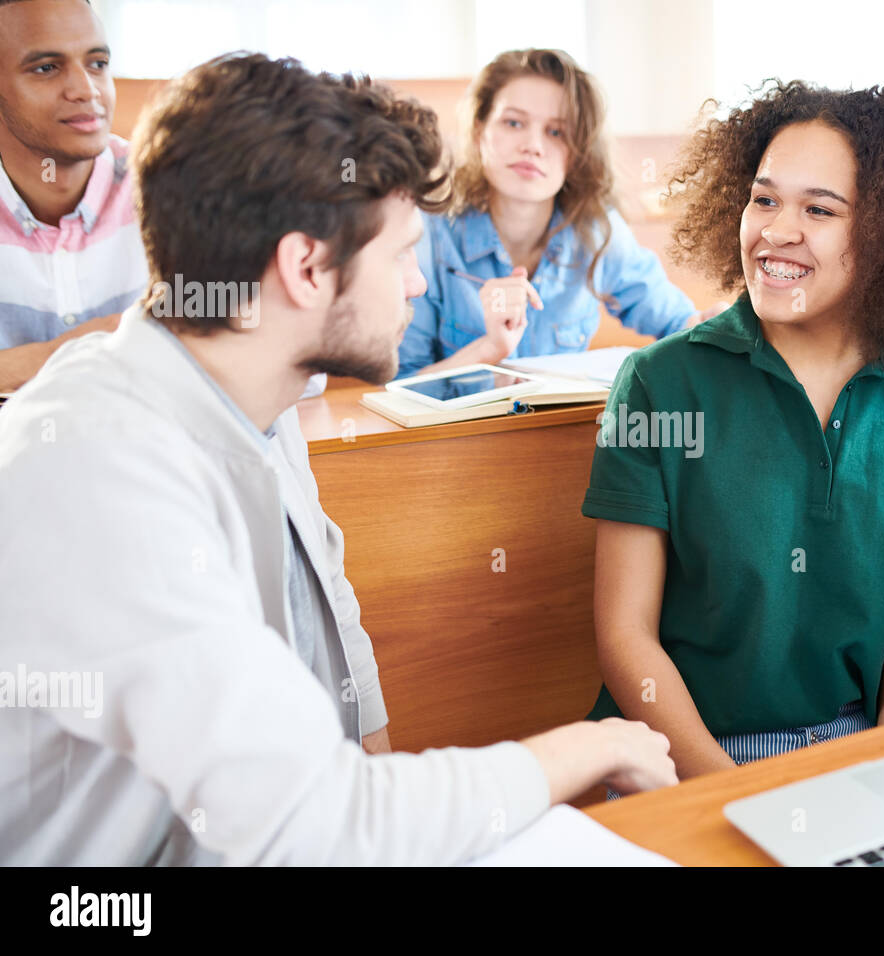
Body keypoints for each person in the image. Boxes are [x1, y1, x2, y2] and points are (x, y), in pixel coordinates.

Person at [0, 52, 675, 865]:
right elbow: (315, 824)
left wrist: (376, 753)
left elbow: (327, 597)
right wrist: (590, 748)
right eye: (400, 256)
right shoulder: (97, 468)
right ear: (306, 267)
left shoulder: (252, 389)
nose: (421, 284)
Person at [581, 81, 884, 784]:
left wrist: (877, 789)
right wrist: (728, 795)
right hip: (678, 759)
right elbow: (625, 639)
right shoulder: (660, 385)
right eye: (764, 198)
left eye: (819, 209)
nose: (777, 231)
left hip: (856, 759)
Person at [396, 48, 724, 380]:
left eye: (556, 132)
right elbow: (400, 390)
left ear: (577, 152)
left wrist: (711, 327)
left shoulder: (595, 228)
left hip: (564, 431)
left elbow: (677, 322)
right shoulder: (427, 236)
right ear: (480, 131)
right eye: (513, 123)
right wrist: (489, 349)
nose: (533, 146)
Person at [0, 0, 147, 392]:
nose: (86, 90)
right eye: (46, 68)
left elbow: (274, 349)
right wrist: (79, 351)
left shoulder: (169, 186)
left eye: (97, 63)